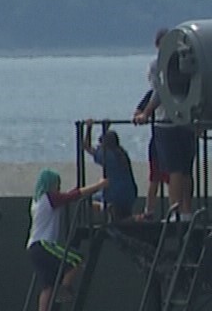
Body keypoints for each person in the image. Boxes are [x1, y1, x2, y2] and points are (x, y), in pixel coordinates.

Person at [27, 170, 107, 311]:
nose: (58, 188)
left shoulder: (37, 201)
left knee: (48, 286)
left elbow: (69, 196)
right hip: (44, 244)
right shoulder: (49, 198)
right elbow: (73, 196)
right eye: (57, 184)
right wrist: (99, 185)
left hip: (33, 248)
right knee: (77, 259)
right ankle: (64, 288)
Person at [133, 29, 195, 219]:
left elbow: (159, 91)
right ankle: (187, 210)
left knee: (174, 170)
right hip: (186, 120)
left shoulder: (157, 64)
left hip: (166, 123)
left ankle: (175, 211)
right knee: (186, 171)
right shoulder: (187, 61)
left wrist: (145, 113)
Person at [83, 126, 140, 222]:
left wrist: (89, 128)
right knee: (125, 216)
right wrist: (105, 129)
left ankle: (106, 207)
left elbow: (86, 146)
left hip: (114, 194)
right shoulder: (122, 153)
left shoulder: (106, 155)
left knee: (87, 200)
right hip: (130, 192)